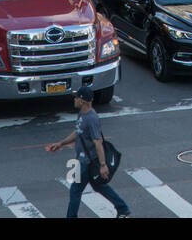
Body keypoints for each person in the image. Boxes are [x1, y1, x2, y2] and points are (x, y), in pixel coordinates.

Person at [46, 86, 130, 218]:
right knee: (99, 186)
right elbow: (78, 132)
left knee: (75, 190)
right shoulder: (82, 114)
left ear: (83, 101)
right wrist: (61, 143)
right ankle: (123, 209)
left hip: (86, 162)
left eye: (77, 97)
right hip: (82, 159)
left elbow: (98, 142)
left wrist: (103, 165)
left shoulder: (91, 118)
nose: (74, 99)